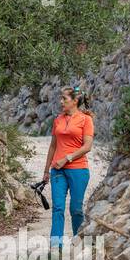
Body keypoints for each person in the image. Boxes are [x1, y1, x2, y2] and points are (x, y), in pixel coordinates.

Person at [42, 86, 94, 249]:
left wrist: (67, 158)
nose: (61, 102)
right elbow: (52, 146)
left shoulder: (86, 120)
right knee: (57, 207)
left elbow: (87, 146)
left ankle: (78, 244)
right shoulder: (58, 119)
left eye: (64, 99)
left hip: (78, 170)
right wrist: (46, 170)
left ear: (75, 101)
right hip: (57, 170)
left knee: (76, 209)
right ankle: (55, 247)